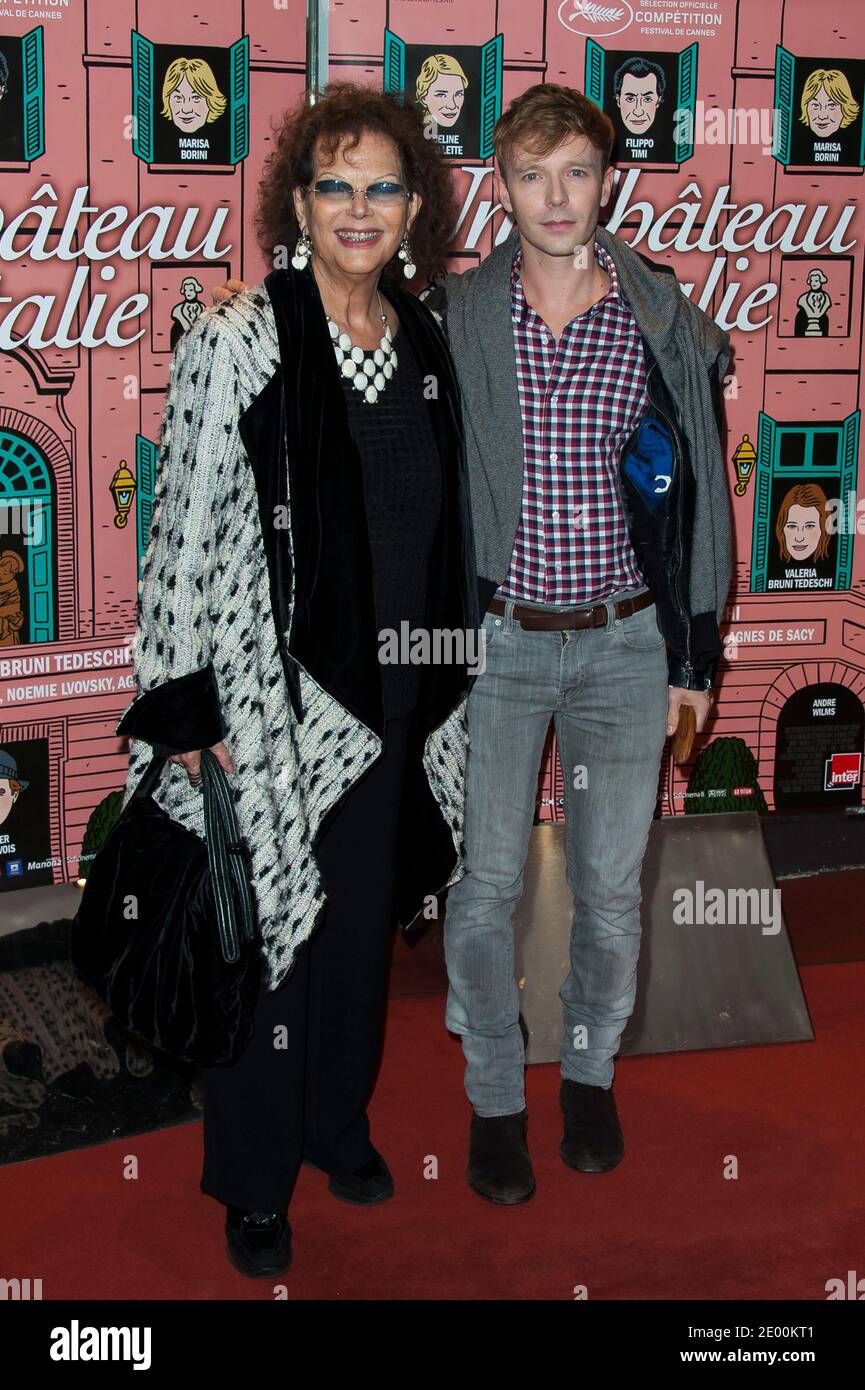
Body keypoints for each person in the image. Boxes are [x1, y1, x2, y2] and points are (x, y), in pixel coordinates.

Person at [215, 82, 734, 1207]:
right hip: (492, 650)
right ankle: (495, 1097)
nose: (557, 196)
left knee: (607, 890)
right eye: (533, 174)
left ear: (608, 181)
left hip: (626, 648)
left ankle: (587, 1074)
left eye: (578, 173)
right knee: (483, 881)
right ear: (500, 186)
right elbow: (334, 356)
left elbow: (699, 491)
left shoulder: (659, 316)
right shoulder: (455, 314)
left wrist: (694, 657)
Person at [116, 81, 478, 1277]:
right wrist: (186, 714)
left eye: (382, 186)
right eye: (336, 185)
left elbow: (441, 532)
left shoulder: (423, 339)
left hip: (393, 704)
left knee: (358, 934)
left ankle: (335, 1124)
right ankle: (256, 1176)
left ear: (413, 205)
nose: (359, 208)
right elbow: (181, 532)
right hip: (271, 705)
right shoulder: (240, 334)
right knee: (269, 936)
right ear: (299, 203)